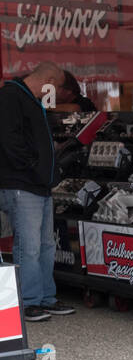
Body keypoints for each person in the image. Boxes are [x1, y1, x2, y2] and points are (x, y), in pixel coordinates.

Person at [0, 61, 75, 321]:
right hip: (22, 184)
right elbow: (9, 140)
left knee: (45, 245)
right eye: (56, 86)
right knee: (29, 246)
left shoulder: (31, 99)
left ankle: (45, 298)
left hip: (40, 185)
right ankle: (29, 302)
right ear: (50, 81)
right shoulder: (11, 96)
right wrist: (32, 167)